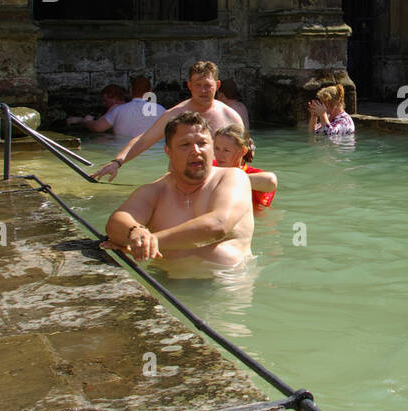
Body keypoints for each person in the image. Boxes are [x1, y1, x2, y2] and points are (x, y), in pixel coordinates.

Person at [102, 111, 252, 268]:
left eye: (202, 143)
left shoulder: (233, 178)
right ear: (169, 151)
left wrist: (148, 242)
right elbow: (116, 222)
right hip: (164, 281)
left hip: (228, 285)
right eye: (185, 145)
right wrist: (135, 232)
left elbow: (217, 226)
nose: (196, 150)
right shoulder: (156, 190)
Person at [92, 61, 245, 181]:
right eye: (198, 85)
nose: (203, 91)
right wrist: (117, 162)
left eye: (208, 86)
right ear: (189, 85)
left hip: (220, 181)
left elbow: (243, 153)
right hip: (183, 182)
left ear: (217, 86)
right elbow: (144, 140)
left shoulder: (230, 116)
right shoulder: (176, 114)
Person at [212, 124, 277, 209]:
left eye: (226, 150)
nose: (219, 155)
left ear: (243, 151)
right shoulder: (210, 166)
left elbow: (271, 181)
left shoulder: (253, 174)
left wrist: (226, 178)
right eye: (216, 148)